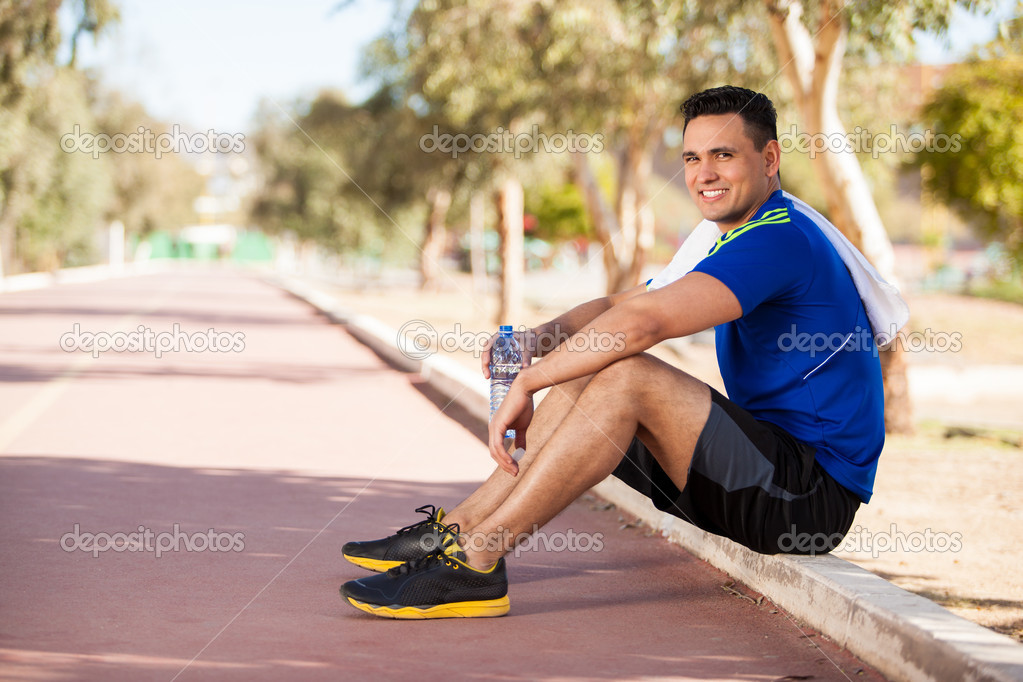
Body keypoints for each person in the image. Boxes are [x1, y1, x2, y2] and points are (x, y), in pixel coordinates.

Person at [340, 85, 890, 619]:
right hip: (764, 468)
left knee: (625, 373)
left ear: (769, 158)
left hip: (806, 495)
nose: (704, 174)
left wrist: (531, 382)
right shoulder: (733, 234)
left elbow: (644, 325)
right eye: (693, 157)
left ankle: (479, 562)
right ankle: (457, 533)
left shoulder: (780, 238)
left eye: (724, 155)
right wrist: (539, 340)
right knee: (591, 360)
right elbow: (621, 303)